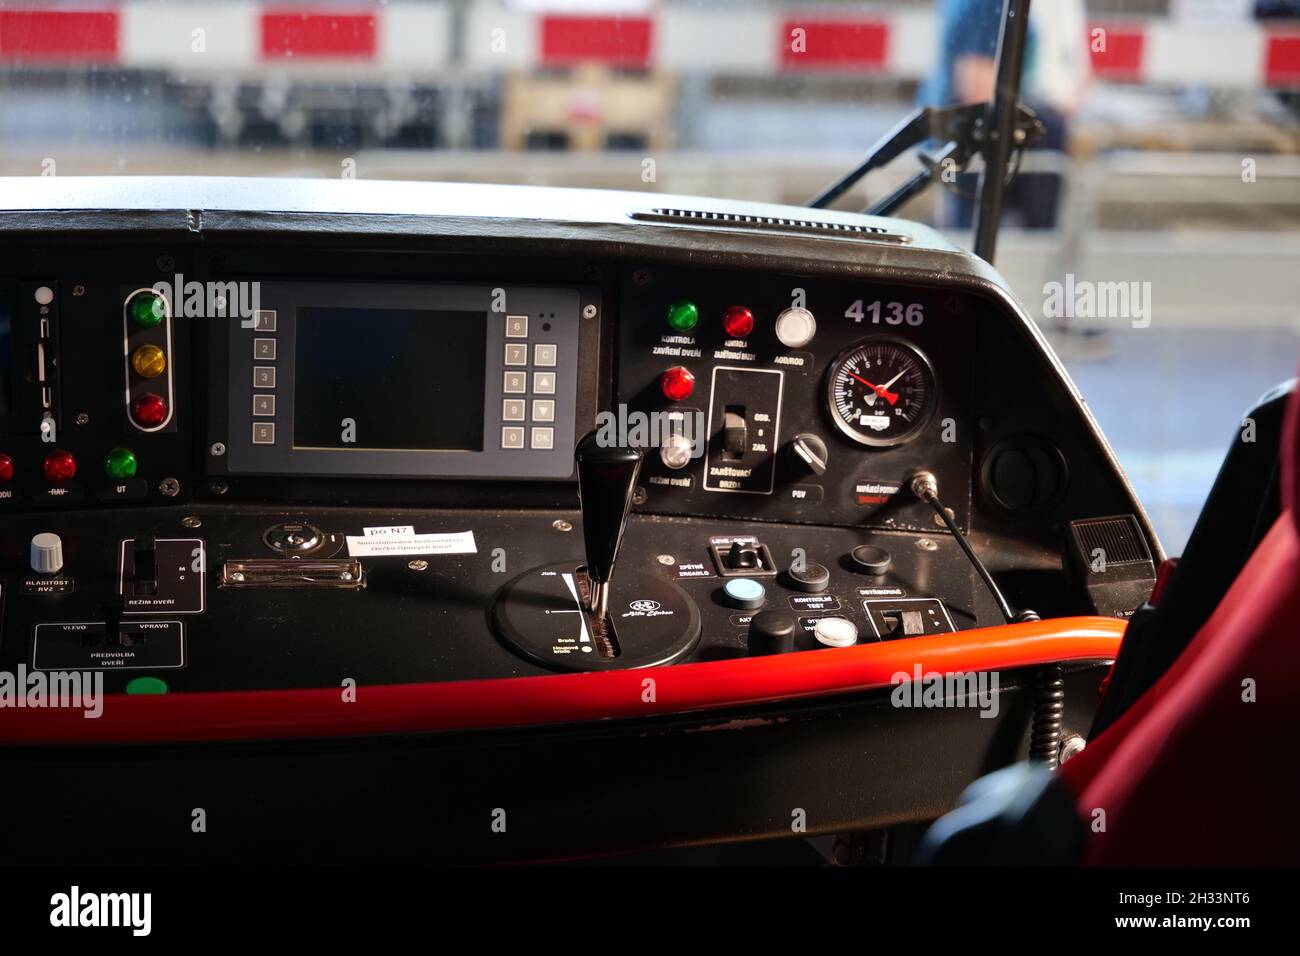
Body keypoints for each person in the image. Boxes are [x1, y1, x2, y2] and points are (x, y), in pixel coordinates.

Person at [918, 0, 1090, 229]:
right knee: (979, 241)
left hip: (963, 140)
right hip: (973, 144)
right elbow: (977, 85)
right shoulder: (993, 4)